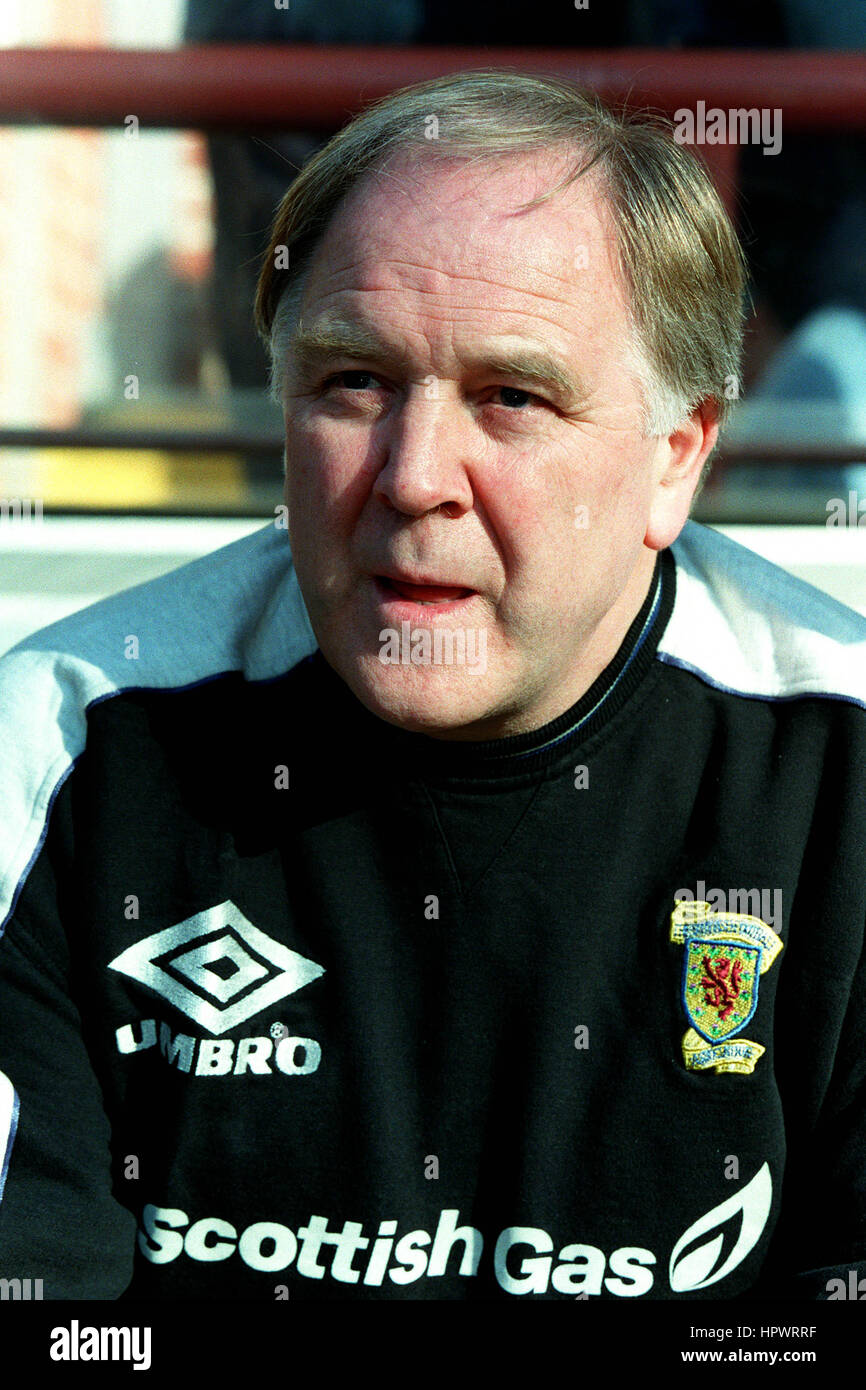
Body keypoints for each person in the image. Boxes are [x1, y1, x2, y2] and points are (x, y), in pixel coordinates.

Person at [0, 70, 864, 1302]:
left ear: (674, 458)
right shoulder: (59, 746)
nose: (412, 477)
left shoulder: (838, 774)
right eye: (352, 382)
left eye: (510, 397)